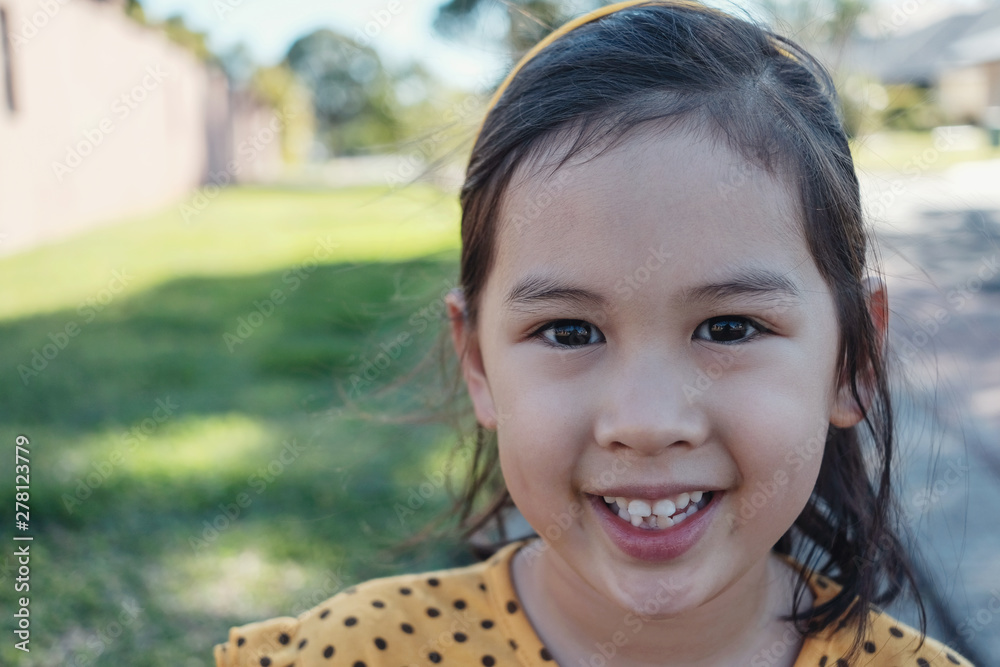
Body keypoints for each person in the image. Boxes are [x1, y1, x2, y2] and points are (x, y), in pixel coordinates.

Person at [212, 2, 975, 665]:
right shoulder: (345, 655)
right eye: (570, 331)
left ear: (852, 357)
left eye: (729, 326)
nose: (645, 422)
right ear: (477, 361)